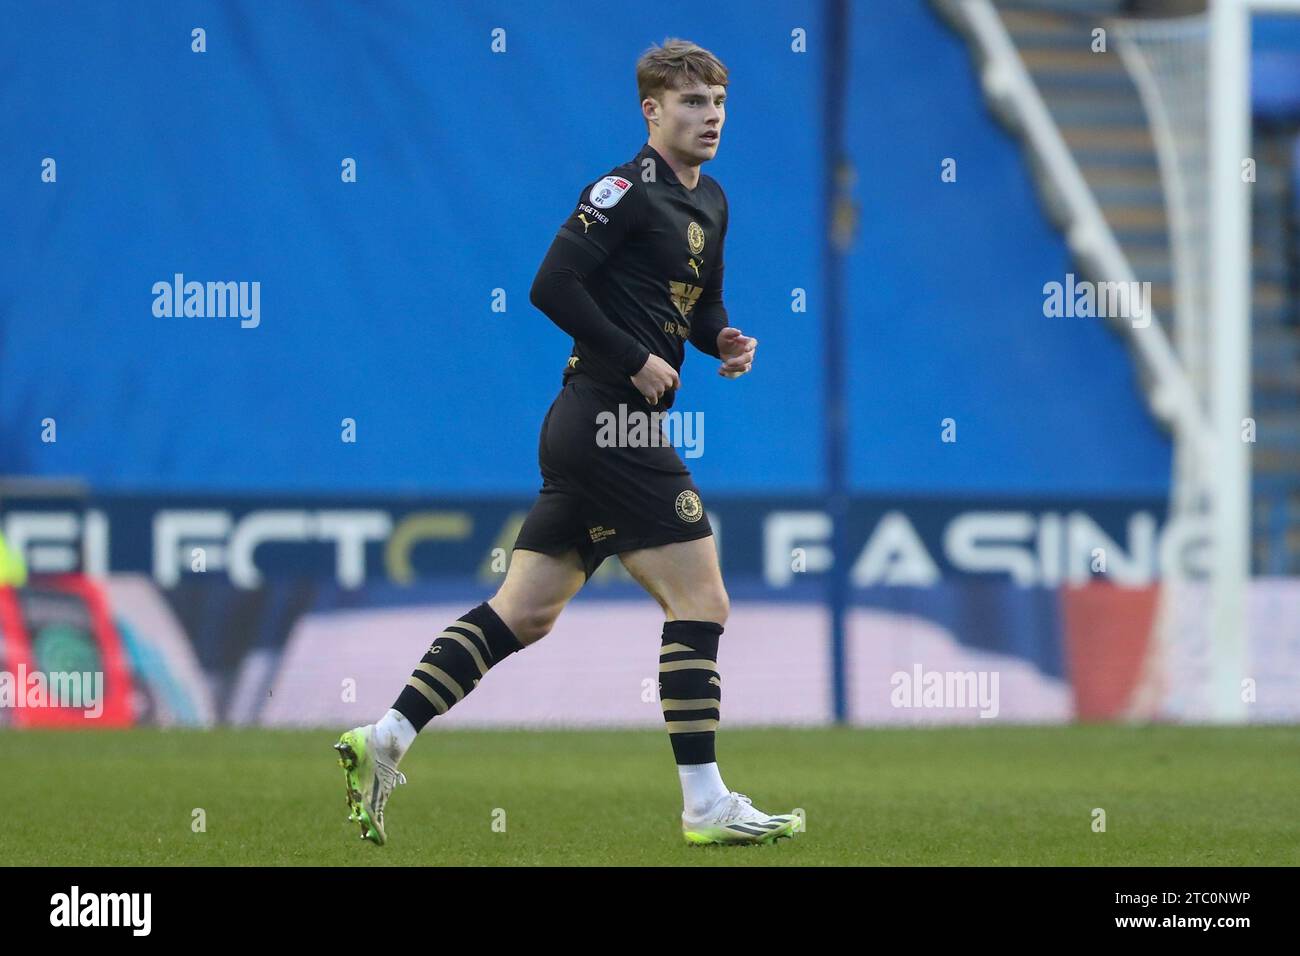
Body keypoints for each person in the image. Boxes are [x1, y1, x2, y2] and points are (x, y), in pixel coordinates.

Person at [335, 38, 799, 848]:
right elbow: (550, 283)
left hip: (591, 430)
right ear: (651, 110)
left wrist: (720, 338)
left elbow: (701, 300)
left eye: (718, 102)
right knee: (702, 600)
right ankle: (705, 804)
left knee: (525, 611)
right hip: (606, 420)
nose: (710, 116)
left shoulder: (713, 200)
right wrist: (637, 357)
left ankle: (384, 738)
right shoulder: (620, 191)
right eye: (691, 103)